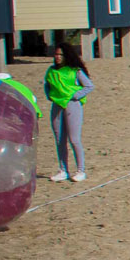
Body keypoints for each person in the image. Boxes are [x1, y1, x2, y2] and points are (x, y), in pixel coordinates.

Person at [44, 41, 92, 183]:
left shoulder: (74, 70)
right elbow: (47, 85)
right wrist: (49, 96)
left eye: (61, 55)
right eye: (56, 54)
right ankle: (63, 170)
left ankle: (80, 170)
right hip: (57, 105)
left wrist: (75, 96)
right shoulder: (51, 70)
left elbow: (89, 86)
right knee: (60, 139)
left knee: (74, 139)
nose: (57, 57)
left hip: (72, 105)